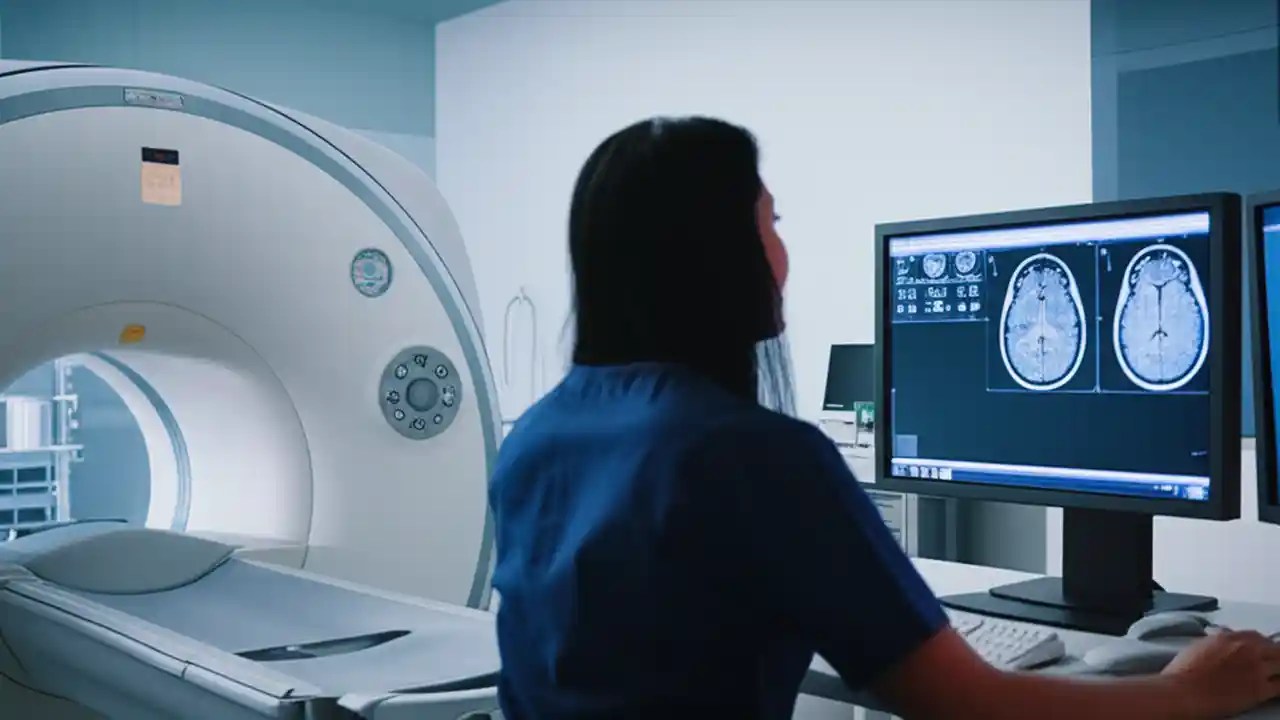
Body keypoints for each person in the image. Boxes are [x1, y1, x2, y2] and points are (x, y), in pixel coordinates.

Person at [488, 116, 1280, 719]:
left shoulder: (534, 438)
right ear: (717, 253)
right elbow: (968, 705)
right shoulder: (750, 456)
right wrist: (1191, 691)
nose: (781, 254)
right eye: (771, 222)